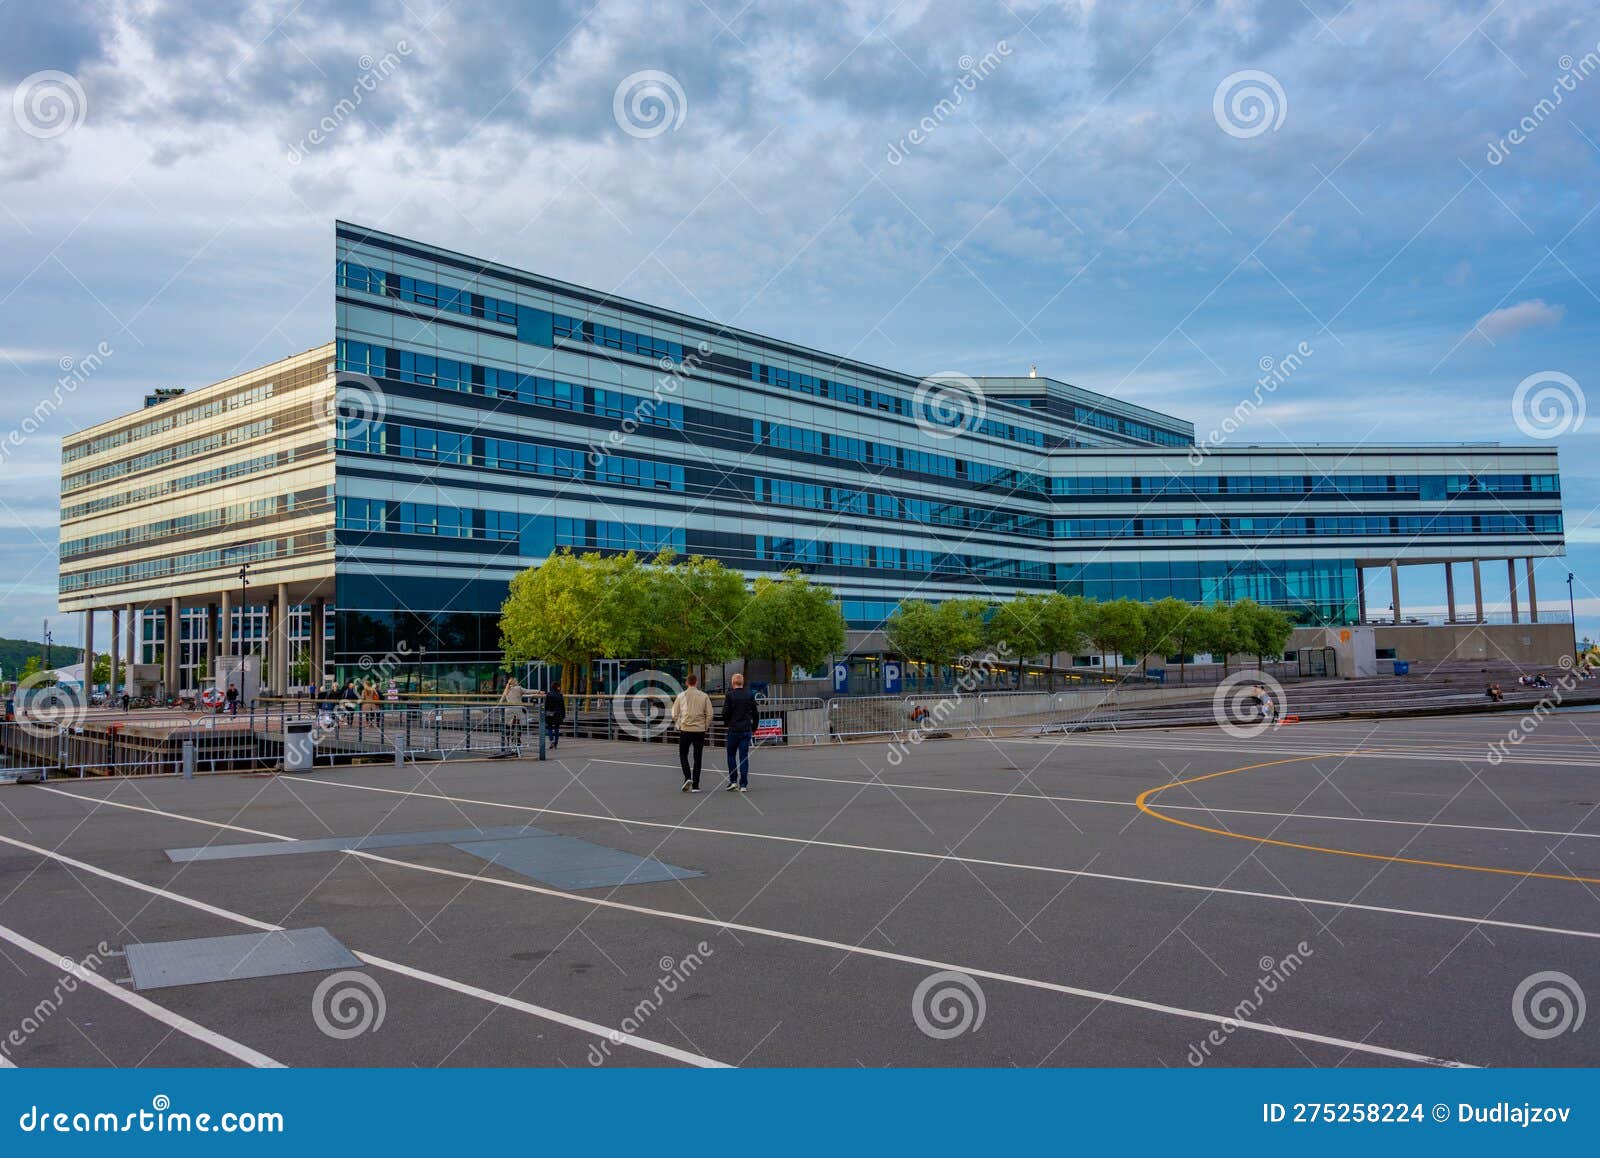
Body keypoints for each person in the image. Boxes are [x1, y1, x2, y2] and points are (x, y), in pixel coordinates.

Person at [671, 673, 712, 791]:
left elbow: (674, 713)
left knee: (683, 754)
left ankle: (687, 776)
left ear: (687, 683)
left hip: (685, 729)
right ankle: (696, 785)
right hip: (699, 729)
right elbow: (710, 714)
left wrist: (679, 724)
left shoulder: (681, 696)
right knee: (697, 757)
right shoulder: (704, 696)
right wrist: (705, 725)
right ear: (696, 682)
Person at [721, 672, 757, 792]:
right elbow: (755, 713)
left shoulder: (730, 695)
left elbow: (725, 713)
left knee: (731, 755)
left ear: (733, 682)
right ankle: (744, 784)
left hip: (734, 729)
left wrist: (727, 723)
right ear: (742, 682)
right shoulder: (749, 694)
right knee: (744, 757)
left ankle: (733, 781)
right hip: (746, 729)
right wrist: (754, 727)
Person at [500, 675, 527, 741]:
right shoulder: (519, 688)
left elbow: (501, 700)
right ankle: (517, 738)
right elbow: (528, 691)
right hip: (517, 710)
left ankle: (508, 733)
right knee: (519, 723)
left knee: (508, 723)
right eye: (516, 681)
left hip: (508, 710)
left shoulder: (506, 689)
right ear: (515, 682)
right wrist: (538, 691)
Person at [543, 683, 566, 750]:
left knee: (549, 728)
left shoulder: (549, 694)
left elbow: (546, 705)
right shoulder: (560, 695)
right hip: (558, 714)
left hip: (550, 714)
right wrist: (563, 715)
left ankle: (551, 741)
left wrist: (545, 713)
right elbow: (562, 706)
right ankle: (555, 743)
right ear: (557, 687)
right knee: (557, 729)